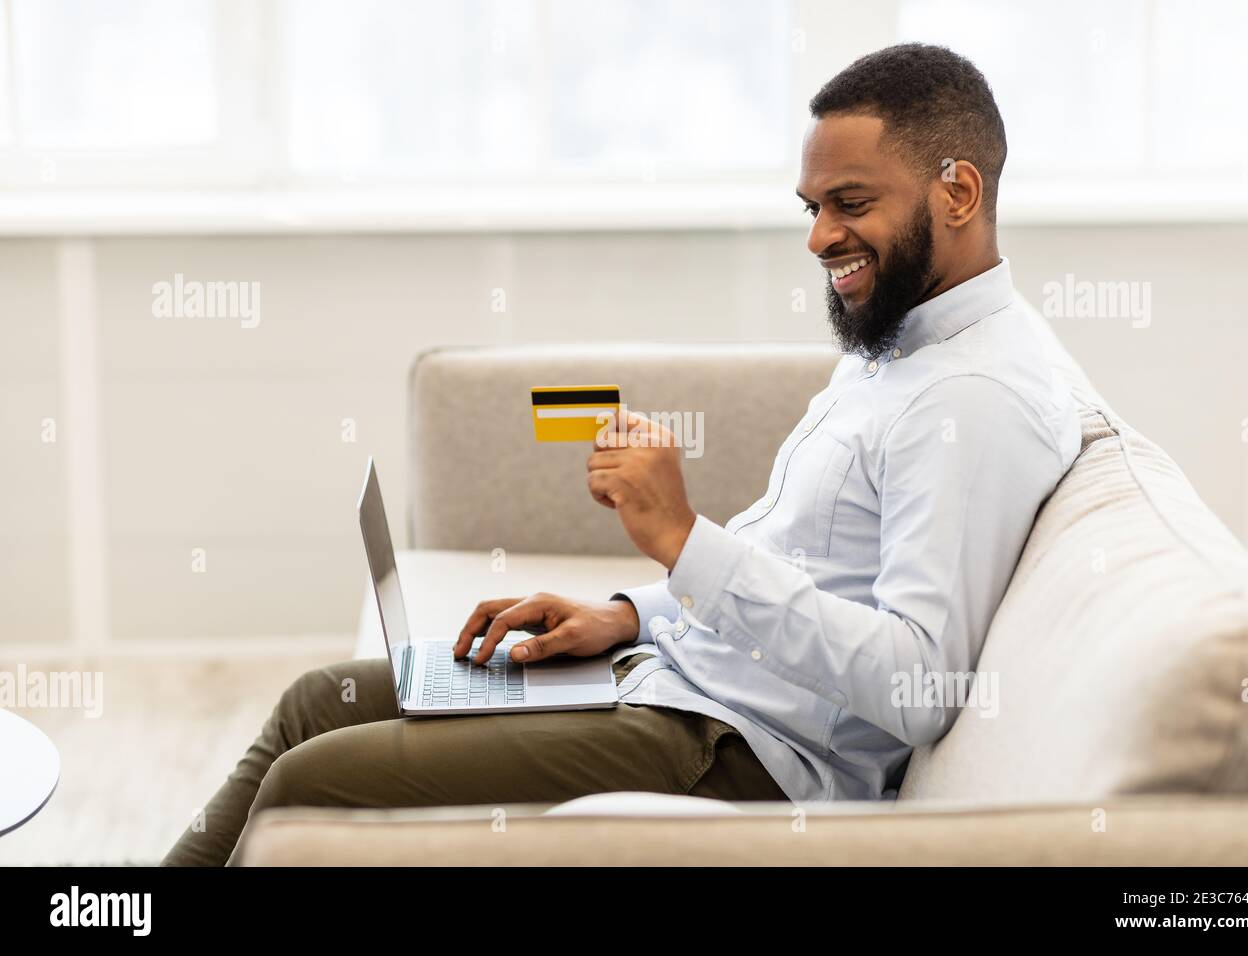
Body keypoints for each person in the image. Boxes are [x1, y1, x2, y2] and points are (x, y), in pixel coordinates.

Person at [163, 43, 1081, 867]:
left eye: (850, 204)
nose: (817, 237)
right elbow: (806, 565)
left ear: (957, 193)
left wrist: (683, 539)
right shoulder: (898, 345)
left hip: (739, 758)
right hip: (675, 686)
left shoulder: (970, 400)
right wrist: (629, 615)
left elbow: (917, 684)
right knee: (316, 703)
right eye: (810, 207)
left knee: (311, 786)